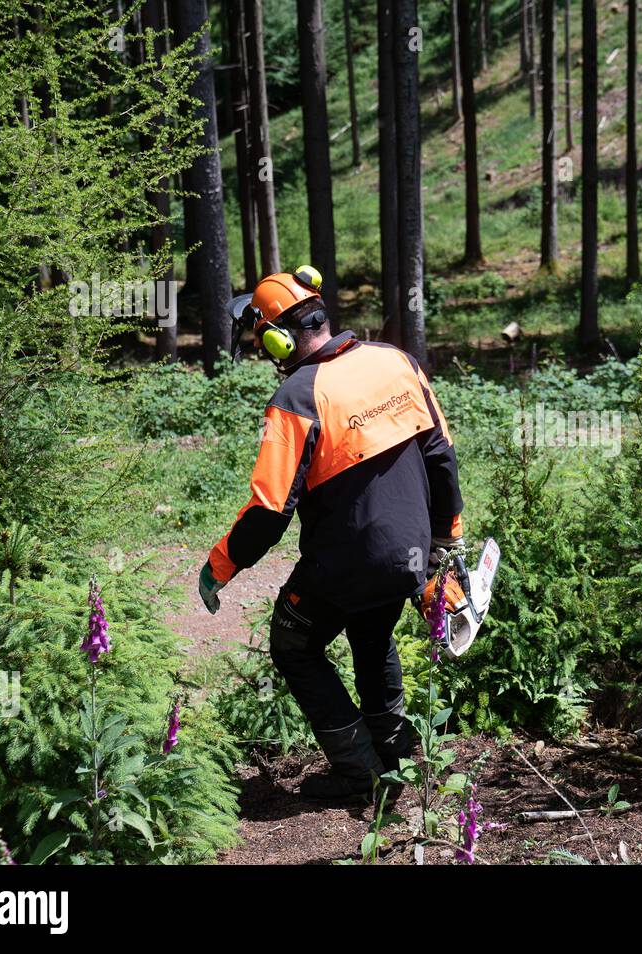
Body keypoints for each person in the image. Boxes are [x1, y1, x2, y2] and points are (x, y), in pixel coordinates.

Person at [199, 267, 464, 801]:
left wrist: (221, 565)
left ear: (278, 337)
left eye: (262, 338)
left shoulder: (297, 395)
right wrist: (446, 540)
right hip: (410, 555)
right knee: (371, 634)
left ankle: (359, 771)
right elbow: (441, 454)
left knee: (293, 643)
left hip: (341, 566)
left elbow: (271, 509)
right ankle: (395, 757)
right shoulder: (396, 360)